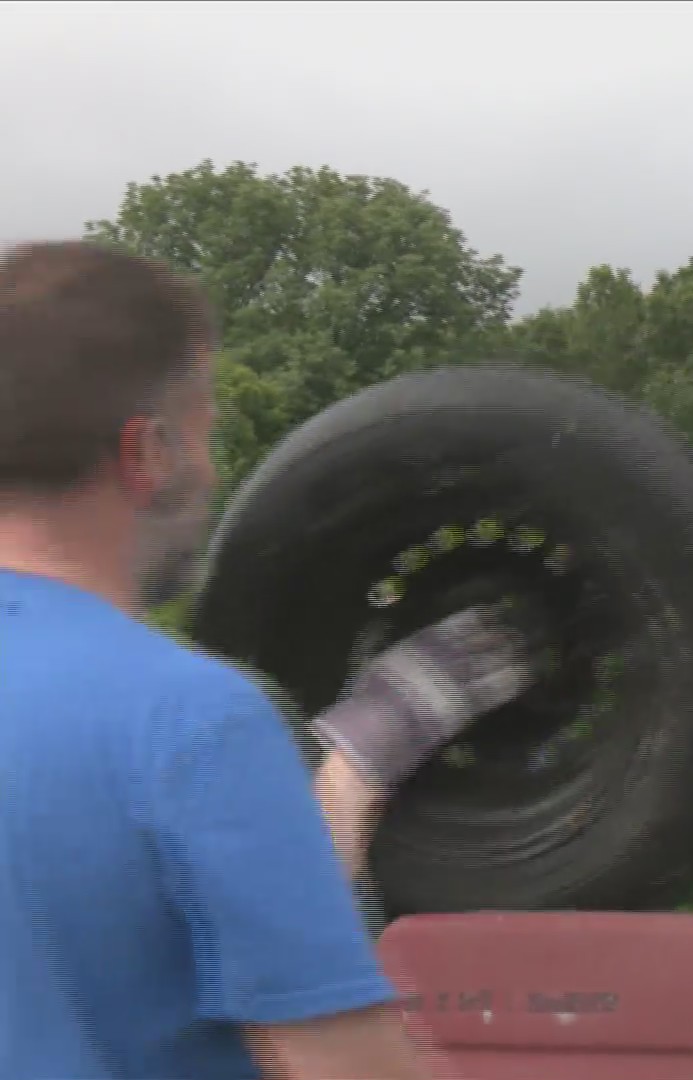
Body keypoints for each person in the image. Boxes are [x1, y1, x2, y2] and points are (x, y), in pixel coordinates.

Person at [0, 240, 538, 1079]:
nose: (212, 471)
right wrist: (351, 773)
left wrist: (333, 794)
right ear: (147, 454)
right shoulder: (191, 723)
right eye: (204, 433)